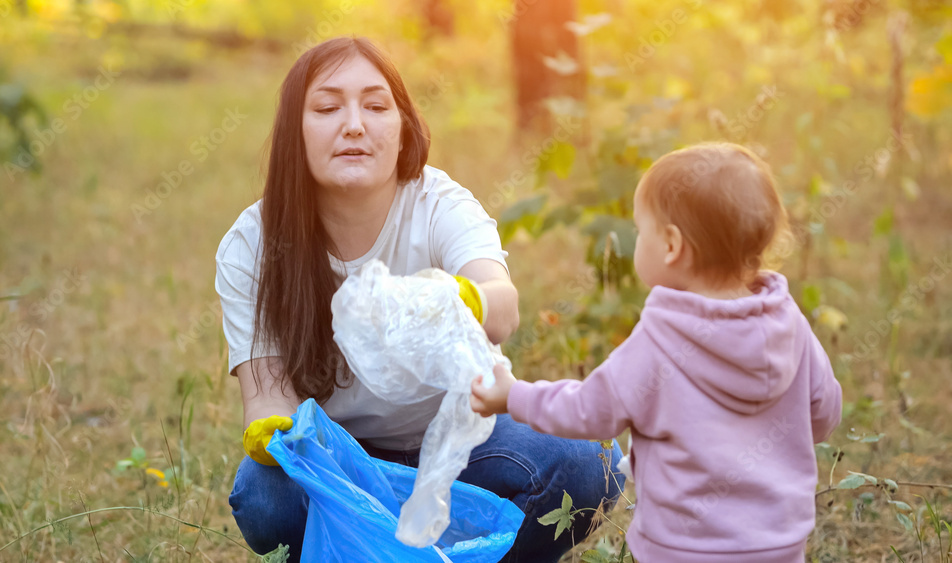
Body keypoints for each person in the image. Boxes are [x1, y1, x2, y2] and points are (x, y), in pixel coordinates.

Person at [215, 36, 624, 562]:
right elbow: (267, 394)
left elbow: (504, 307)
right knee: (264, 495)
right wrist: (276, 437)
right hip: (346, 460)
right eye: (327, 107)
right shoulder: (253, 242)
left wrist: (462, 297)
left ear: (403, 126)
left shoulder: (439, 203)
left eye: (376, 105)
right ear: (295, 131)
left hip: (466, 442)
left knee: (591, 460)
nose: (355, 124)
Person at [471, 142, 844, 563]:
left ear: (670, 245)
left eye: (640, 230)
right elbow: (825, 411)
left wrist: (513, 395)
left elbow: (589, 410)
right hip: (780, 543)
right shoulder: (788, 322)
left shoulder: (663, 338)